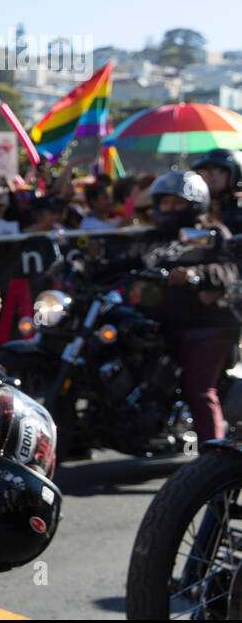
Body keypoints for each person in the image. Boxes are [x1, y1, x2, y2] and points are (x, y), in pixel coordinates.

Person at [133, 171, 240, 444]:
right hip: (161, 323)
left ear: (195, 204)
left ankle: (212, 463)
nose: (168, 209)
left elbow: (227, 270)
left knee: (199, 390)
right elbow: (122, 262)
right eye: (164, 202)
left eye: (177, 203)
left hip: (207, 325)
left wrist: (193, 274)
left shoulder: (209, 234)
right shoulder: (151, 238)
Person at [191, 148, 242, 234]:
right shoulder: (196, 206)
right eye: (203, 170)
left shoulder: (239, 209)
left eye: (216, 169)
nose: (209, 175)